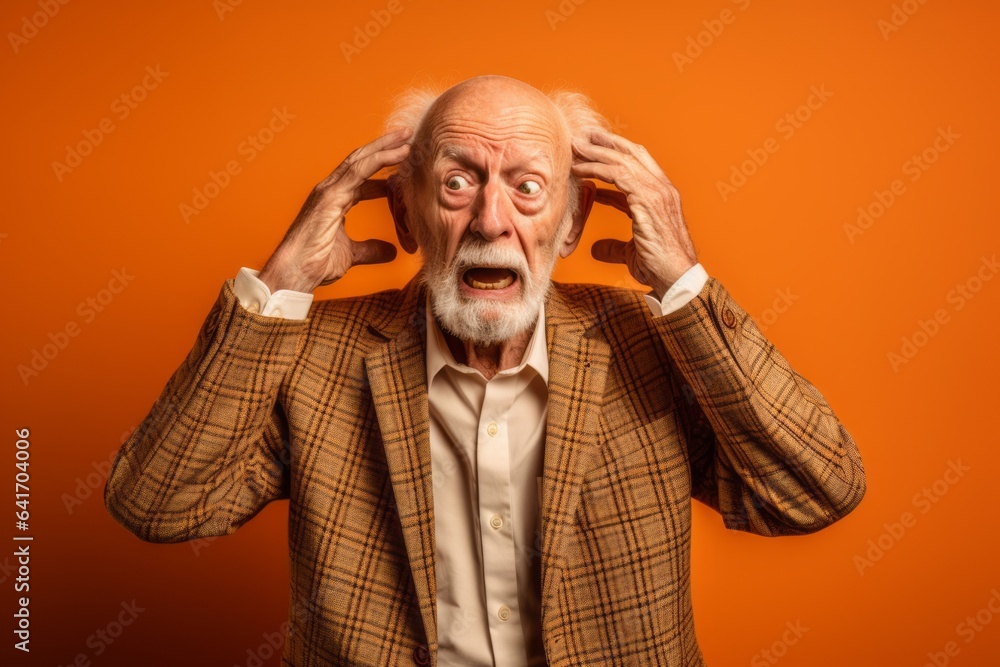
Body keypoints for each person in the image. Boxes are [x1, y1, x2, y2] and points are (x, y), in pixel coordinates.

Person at [104, 74, 866, 666]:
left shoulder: (650, 344)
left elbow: (815, 492)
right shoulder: (313, 353)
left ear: (571, 221)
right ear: (406, 214)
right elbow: (158, 505)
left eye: (528, 187)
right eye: (457, 182)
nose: (492, 221)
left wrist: (685, 283)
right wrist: (279, 286)